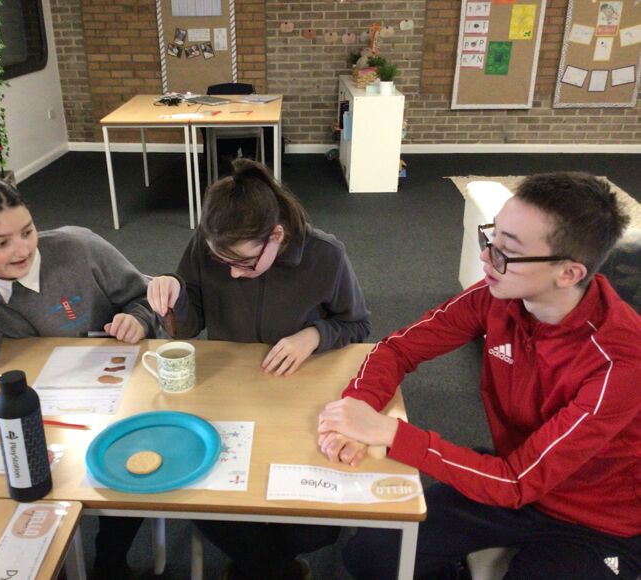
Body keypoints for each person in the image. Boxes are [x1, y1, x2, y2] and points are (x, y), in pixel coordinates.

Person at [317, 172, 641, 579]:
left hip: (596, 522)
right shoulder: (497, 294)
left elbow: (518, 482)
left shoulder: (620, 363)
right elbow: (398, 349)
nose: (487, 259)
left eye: (507, 251)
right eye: (491, 239)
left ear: (569, 274)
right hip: (512, 479)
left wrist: (392, 434)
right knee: (373, 555)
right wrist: (357, 410)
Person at [147, 158, 371, 578]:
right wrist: (174, 294)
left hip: (298, 397)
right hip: (228, 394)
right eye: (220, 260)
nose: (232, 272)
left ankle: (260, 562)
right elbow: (189, 325)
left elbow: (358, 324)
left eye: (244, 263)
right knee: (194, 491)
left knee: (319, 527)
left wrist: (315, 335)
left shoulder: (326, 255)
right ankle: (276, 570)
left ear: (277, 236)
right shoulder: (207, 245)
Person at [0, 173, 158, 579]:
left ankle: (109, 556)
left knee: (120, 465)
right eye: (0, 243)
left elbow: (148, 294)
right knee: (12, 479)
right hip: (28, 410)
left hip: (106, 397)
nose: (21, 249)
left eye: (27, 231)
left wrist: (138, 319)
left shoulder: (78, 247)